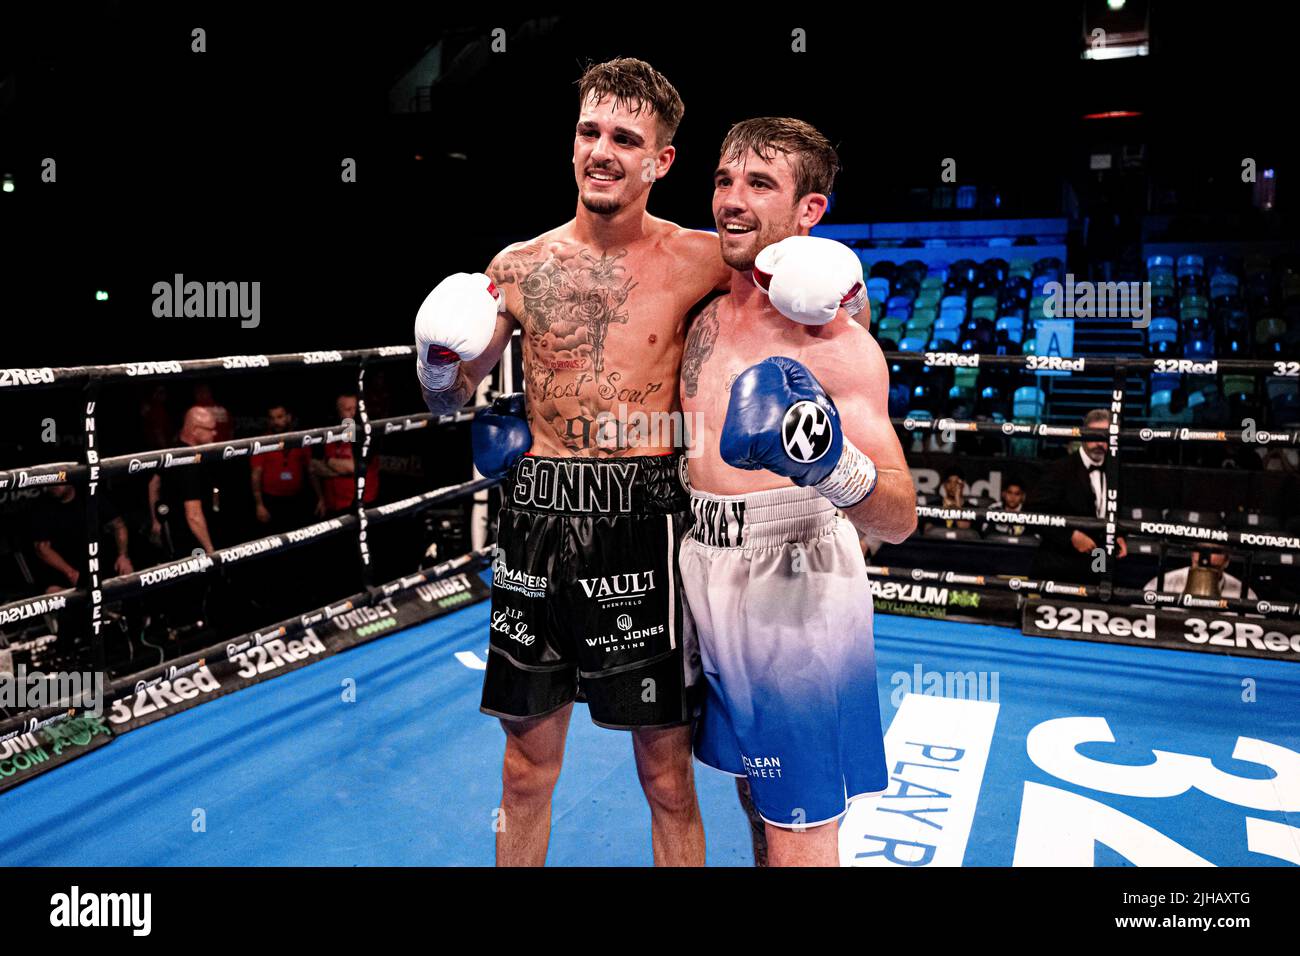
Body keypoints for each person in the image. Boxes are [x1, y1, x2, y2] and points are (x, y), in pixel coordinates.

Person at [415, 58, 730, 866]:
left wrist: (835, 286)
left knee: (666, 777)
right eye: (590, 131)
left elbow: (829, 300)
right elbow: (450, 401)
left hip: (647, 515)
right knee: (523, 771)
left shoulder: (703, 258)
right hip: (539, 512)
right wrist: (436, 366)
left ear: (661, 161)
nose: (602, 150)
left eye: (626, 138)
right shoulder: (516, 268)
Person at [677, 117, 917, 866]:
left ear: (810, 211)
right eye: (724, 180)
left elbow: (902, 516)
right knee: (756, 787)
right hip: (701, 562)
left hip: (795, 575)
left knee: (801, 818)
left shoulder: (837, 343)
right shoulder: (706, 314)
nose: (732, 200)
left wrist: (825, 462)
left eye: (760, 183)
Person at [1027, 408, 1127, 582]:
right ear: (1083, 435)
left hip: (1098, 556)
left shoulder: (1115, 470)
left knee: (1098, 598)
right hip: (1060, 563)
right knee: (1062, 606)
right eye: (1095, 436)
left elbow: (1115, 510)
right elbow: (1032, 510)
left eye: (1105, 438)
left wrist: (1119, 535)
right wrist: (1070, 536)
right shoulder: (1060, 469)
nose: (1100, 443)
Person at [30, 484, 133, 593]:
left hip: (94, 559)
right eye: (50, 482)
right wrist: (70, 572)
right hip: (62, 567)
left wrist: (123, 556)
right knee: (53, 591)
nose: (54, 486)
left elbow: (118, 525)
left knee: (126, 571)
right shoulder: (41, 506)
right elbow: (42, 548)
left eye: (59, 479)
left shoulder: (89, 496)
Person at [251, 402, 321, 533]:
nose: (276, 422)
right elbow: (256, 474)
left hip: (297, 500)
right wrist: (259, 504)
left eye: (279, 417)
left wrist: (321, 498)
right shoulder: (262, 441)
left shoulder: (301, 439)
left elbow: (311, 470)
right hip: (271, 501)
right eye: (272, 418)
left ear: (288, 417)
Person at [312, 393, 379, 518]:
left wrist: (327, 461)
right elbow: (313, 467)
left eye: (355, 408)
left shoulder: (366, 434)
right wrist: (320, 498)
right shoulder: (330, 433)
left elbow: (352, 467)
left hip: (361, 504)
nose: (353, 413)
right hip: (333, 505)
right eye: (348, 409)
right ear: (338, 411)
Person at [1143, 547, 1257, 600]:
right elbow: (1140, 615)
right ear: (1192, 556)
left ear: (1226, 562)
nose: (1205, 574)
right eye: (1199, 565)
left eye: (1214, 568)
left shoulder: (1245, 593)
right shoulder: (1163, 583)